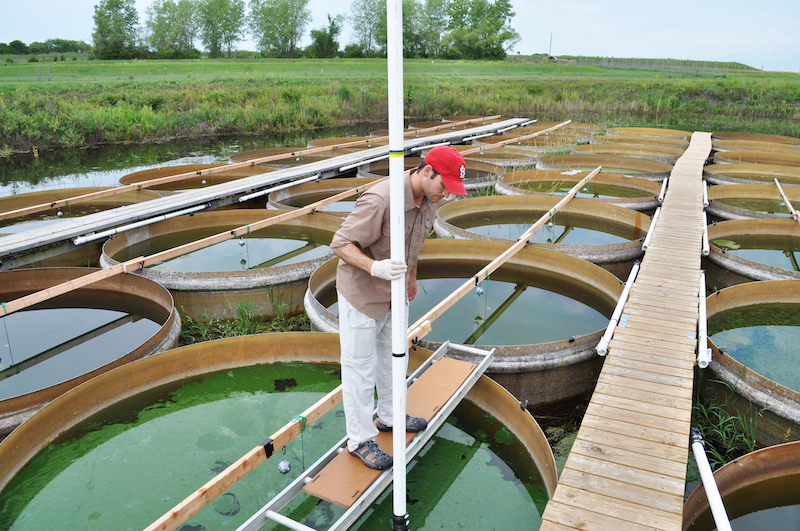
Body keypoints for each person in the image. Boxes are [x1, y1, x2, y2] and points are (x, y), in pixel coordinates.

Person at [330, 145, 468, 470]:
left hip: (395, 292)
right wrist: (374, 267)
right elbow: (341, 243)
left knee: (395, 358)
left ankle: (389, 416)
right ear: (426, 171)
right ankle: (360, 440)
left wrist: (411, 277)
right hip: (362, 294)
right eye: (443, 185)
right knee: (359, 368)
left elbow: (415, 242)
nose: (446, 194)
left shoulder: (430, 202)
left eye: (452, 189)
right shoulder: (382, 198)